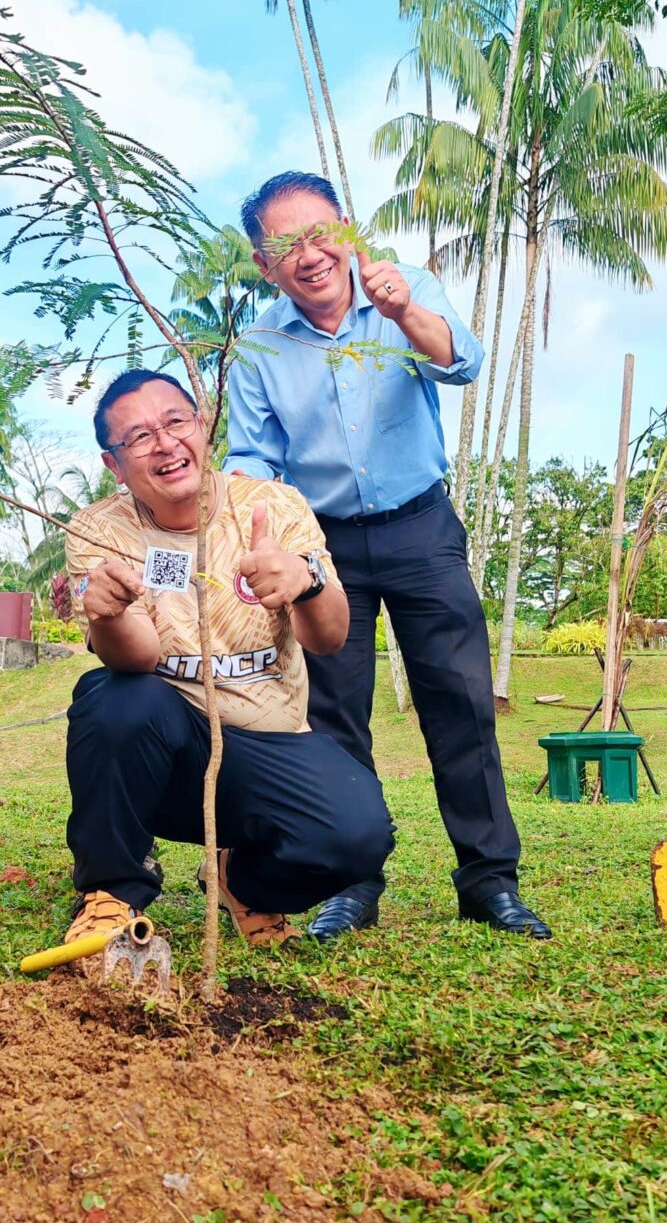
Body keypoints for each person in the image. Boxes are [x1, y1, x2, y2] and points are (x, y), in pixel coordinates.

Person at [226, 171, 551, 941]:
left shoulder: (404, 289)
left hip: (420, 529)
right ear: (263, 263)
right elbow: (253, 454)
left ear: (347, 230)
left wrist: (403, 310)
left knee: (460, 702)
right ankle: (352, 883)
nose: (309, 255)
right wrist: (247, 522)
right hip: (320, 545)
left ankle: (488, 881)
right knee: (332, 712)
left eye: (319, 234)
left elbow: (460, 362)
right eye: (285, 245)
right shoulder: (259, 345)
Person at [60, 368, 395, 951]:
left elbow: (330, 639)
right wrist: (109, 614)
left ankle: (241, 880)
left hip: (269, 745)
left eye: (175, 422)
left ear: (204, 424)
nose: (165, 444)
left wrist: (306, 582)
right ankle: (111, 892)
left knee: (357, 836)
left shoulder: (274, 506)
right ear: (114, 464)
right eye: (139, 437)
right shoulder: (99, 529)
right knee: (113, 698)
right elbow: (139, 658)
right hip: (169, 748)